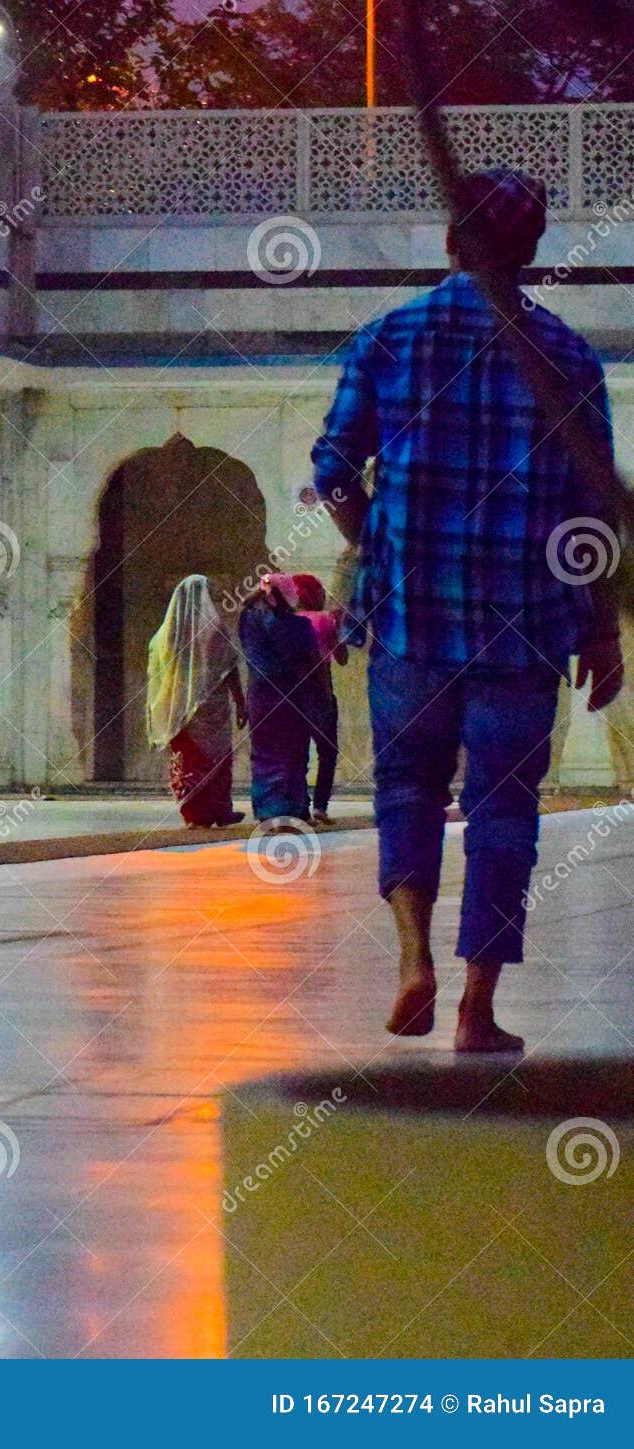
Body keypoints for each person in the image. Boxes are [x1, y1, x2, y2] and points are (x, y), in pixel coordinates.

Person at [314, 167, 624, 1053]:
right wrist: (601, 627)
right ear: (529, 253)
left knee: (406, 788)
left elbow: (333, 467)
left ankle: (413, 959)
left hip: (411, 621)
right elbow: (595, 509)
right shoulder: (564, 357)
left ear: (452, 242)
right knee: (504, 807)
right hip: (524, 633)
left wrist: (374, 540)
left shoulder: (389, 338)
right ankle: (476, 1007)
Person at [146, 575, 247, 828]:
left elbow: (156, 677)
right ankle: (219, 811)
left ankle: (193, 814)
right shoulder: (215, 630)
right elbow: (230, 669)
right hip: (212, 706)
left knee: (189, 758)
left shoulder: (164, 636)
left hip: (180, 708)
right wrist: (240, 702)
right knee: (216, 757)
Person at [238, 573, 320, 823]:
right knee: (292, 753)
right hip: (294, 698)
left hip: (261, 699)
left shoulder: (247, 621)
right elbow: (312, 664)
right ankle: (292, 808)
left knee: (263, 754)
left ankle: (267, 810)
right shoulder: (301, 626)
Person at [293, 572, 346, 825]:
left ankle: (300, 806)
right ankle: (320, 806)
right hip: (321, 689)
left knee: (297, 750)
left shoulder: (288, 620)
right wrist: (338, 627)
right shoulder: (325, 619)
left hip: (293, 692)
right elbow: (342, 658)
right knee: (328, 751)